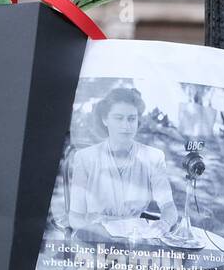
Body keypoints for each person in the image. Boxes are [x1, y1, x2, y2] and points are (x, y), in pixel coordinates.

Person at [63, 86, 178, 235]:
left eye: (132, 119)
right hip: (95, 238)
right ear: (105, 119)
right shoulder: (85, 158)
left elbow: (168, 205)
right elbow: (75, 218)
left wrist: (165, 223)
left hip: (136, 239)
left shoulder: (154, 157)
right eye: (118, 118)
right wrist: (102, 234)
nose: (126, 126)